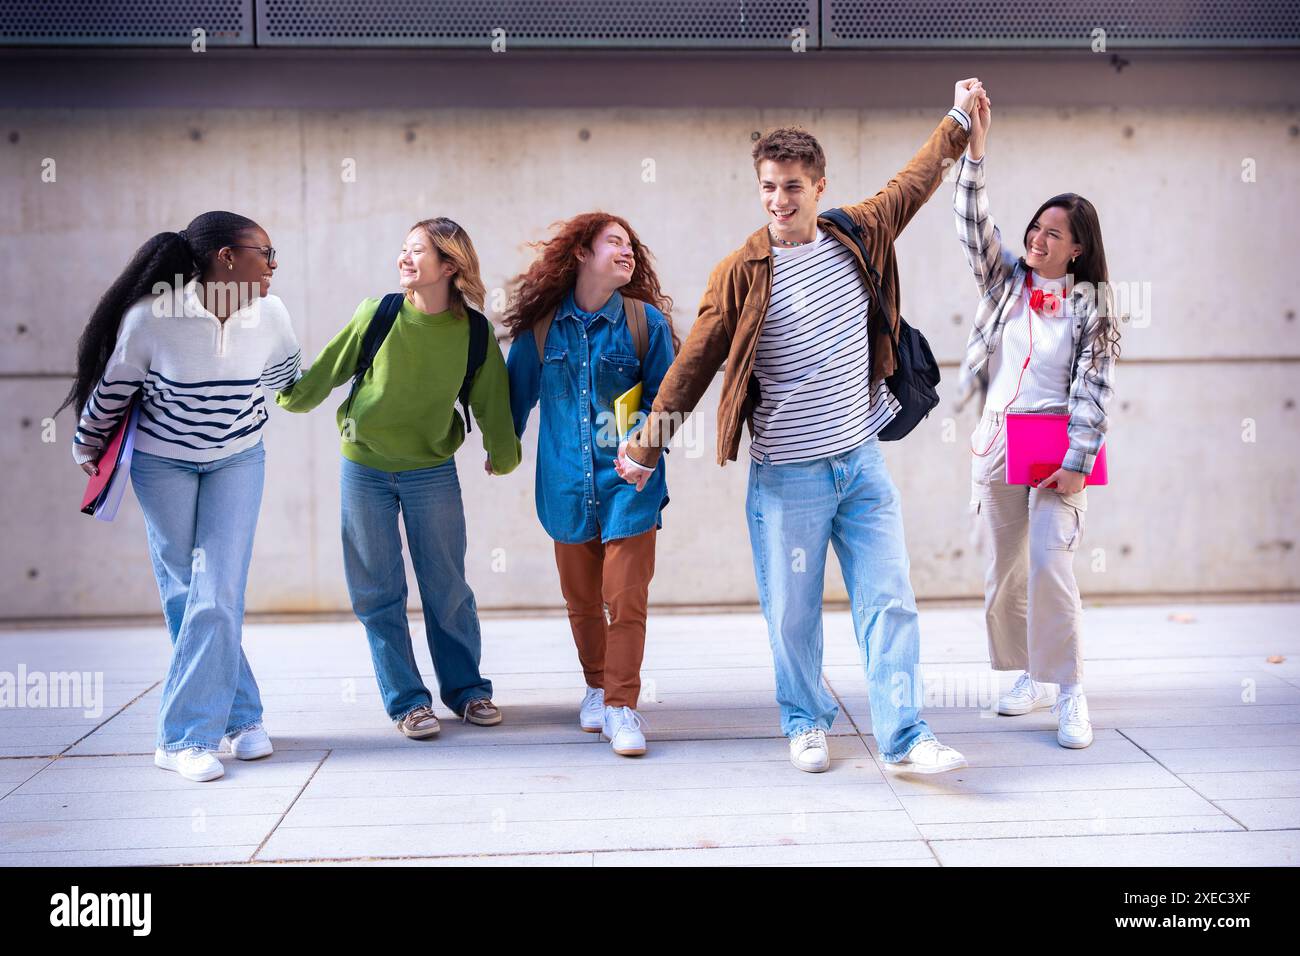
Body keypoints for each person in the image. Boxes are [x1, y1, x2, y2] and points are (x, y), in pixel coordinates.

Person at [618, 80, 989, 775]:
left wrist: (959, 118)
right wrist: (645, 444)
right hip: (788, 477)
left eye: (791, 186)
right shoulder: (742, 271)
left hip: (861, 461)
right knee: (792, 616)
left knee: (890, 603)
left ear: (819, 186)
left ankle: (906, 738)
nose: (779, 201)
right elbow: (695, 362)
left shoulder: (860, 231)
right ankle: (804, 721)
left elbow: (916, 179)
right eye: (768, 187)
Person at [63, 211, 301, 782]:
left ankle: (212, 724)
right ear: (226, 258)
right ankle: (206, 730)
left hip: (238, 459)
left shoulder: (271, 315)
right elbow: (113, 389)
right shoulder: (151, 319)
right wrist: (86, 448)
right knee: (189, 593)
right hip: (162, 462)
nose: (272, 267)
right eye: (265, 254)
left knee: (216, 589)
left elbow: (292, 382)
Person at [276, 218, 520, 739]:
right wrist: (291, 395)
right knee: (378, 592)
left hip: (431, 471)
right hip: (363, 467)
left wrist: (504, 453)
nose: (403, 259)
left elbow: (492, 399)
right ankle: (408, 702)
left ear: (449, 266)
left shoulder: (473, 332)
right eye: (403, 249)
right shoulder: (379, 313)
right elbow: (330, 368)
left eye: (416, 251)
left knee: (447, 587)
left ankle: (468, 690)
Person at [952, 91, 1120, 749]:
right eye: (1035, 227)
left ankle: (1071, 689)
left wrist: (1077, 463)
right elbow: (971, 222)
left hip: (1057, 441)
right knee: (1005, 572)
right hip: (997, 438)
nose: (1037, 238)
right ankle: (1028, 673)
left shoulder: (1092, 307)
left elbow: (1094, 394)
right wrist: (976, 146)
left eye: (1054, 233)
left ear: (1077, 250)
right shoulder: (1004, 283)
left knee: (1052, 561)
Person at [504, 213, 676, 757]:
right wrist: (498, 445)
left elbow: (668, 404)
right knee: (582, 601)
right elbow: (515, 399)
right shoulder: (540, 330)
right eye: (614, 242)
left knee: (624, 598)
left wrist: (645, 452)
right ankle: (597, 686)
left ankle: (623, 706)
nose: (627, 251)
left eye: (631, 244)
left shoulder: (645, 323)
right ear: (581, 253)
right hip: (565, 484)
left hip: (632, 482)